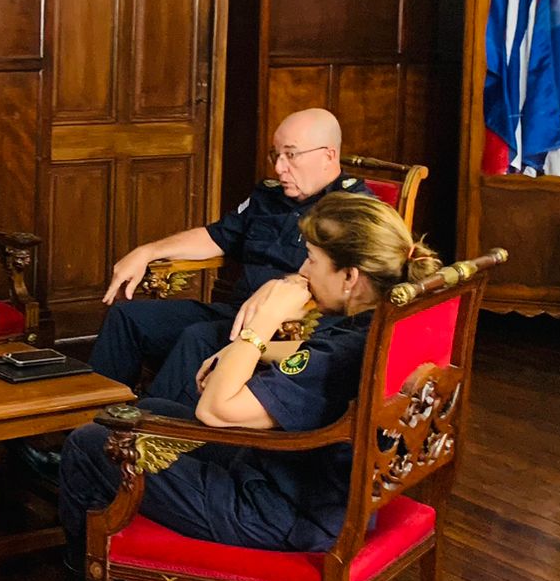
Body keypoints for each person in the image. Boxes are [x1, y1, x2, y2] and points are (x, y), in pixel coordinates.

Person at [36, 193, 440, 581]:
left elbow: (216, 412)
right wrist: (251, 354)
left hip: (282, 513)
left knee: (92, 444)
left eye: (312, 260)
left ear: (350, 277)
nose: (303, 272)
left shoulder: (343, 349)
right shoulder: (382, 321)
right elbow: (317, 365)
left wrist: (260, 326)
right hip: (316, 484)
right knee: (155, 409)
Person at [89, 107, 371, 410]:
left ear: (328, 155)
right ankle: (85, 428)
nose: (279, 168)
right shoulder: (269, 195)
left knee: (199, 337)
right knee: (128, 318)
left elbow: (352, 282)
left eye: (291, 155)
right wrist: (148, 251)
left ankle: (149, 435)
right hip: (234, 312)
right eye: (275, 155)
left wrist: (283, 290)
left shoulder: (353, 210)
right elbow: (218, 236)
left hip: (288, 328)